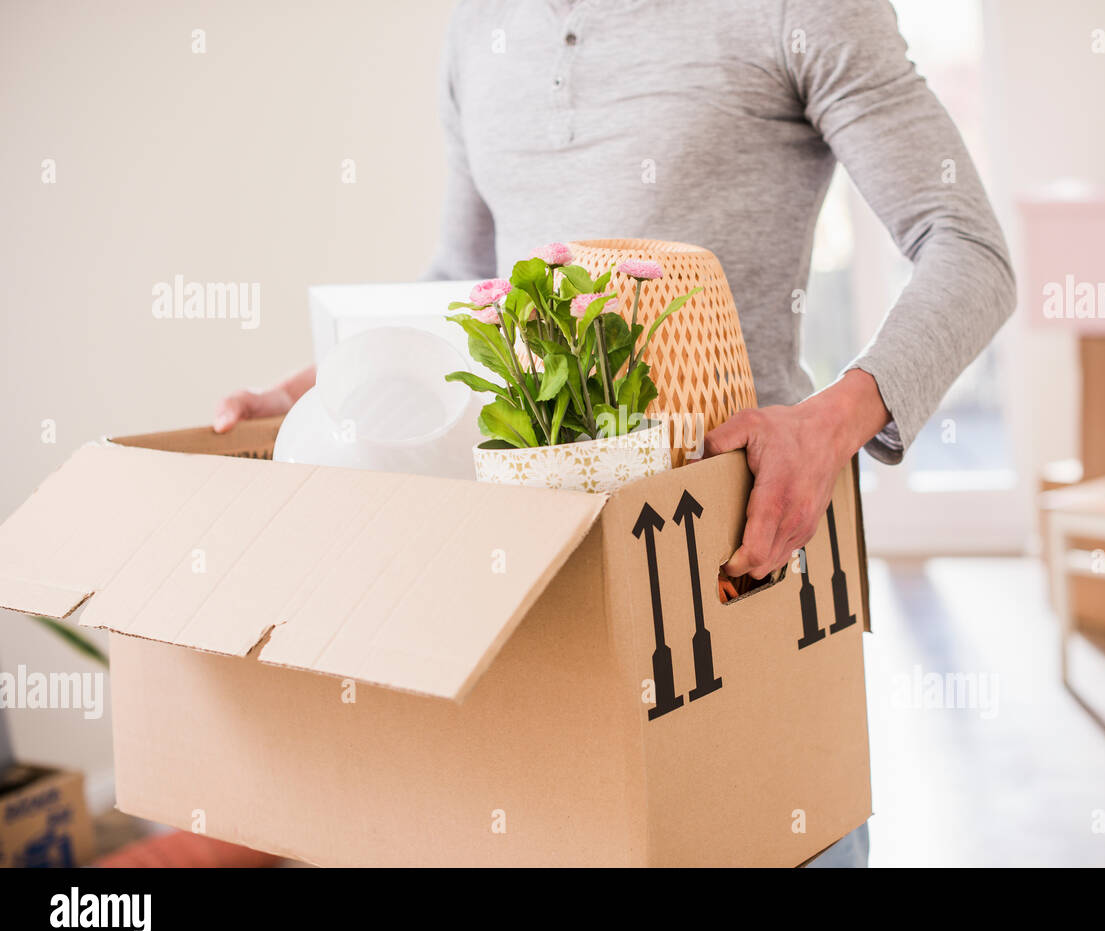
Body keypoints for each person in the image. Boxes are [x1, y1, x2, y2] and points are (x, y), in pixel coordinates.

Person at [214, 0, 1015, 866]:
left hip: (737, 546)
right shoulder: (479, 26)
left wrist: (829, 427)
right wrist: (329, 381)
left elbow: (969, 248)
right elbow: (467, 280)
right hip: (538, 566)